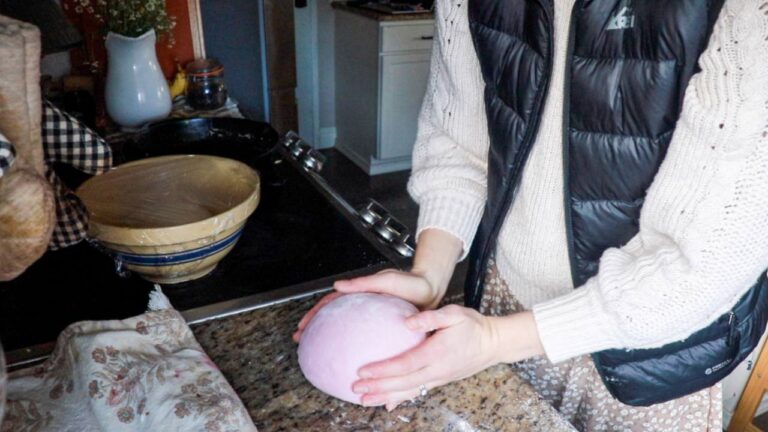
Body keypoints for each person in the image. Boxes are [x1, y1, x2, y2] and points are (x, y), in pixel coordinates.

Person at [295, 0, 768, 429]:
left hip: (645, 344)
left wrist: (494, 342)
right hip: (504, 300)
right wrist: (429, 276)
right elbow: (457, 145)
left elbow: (707, 259)